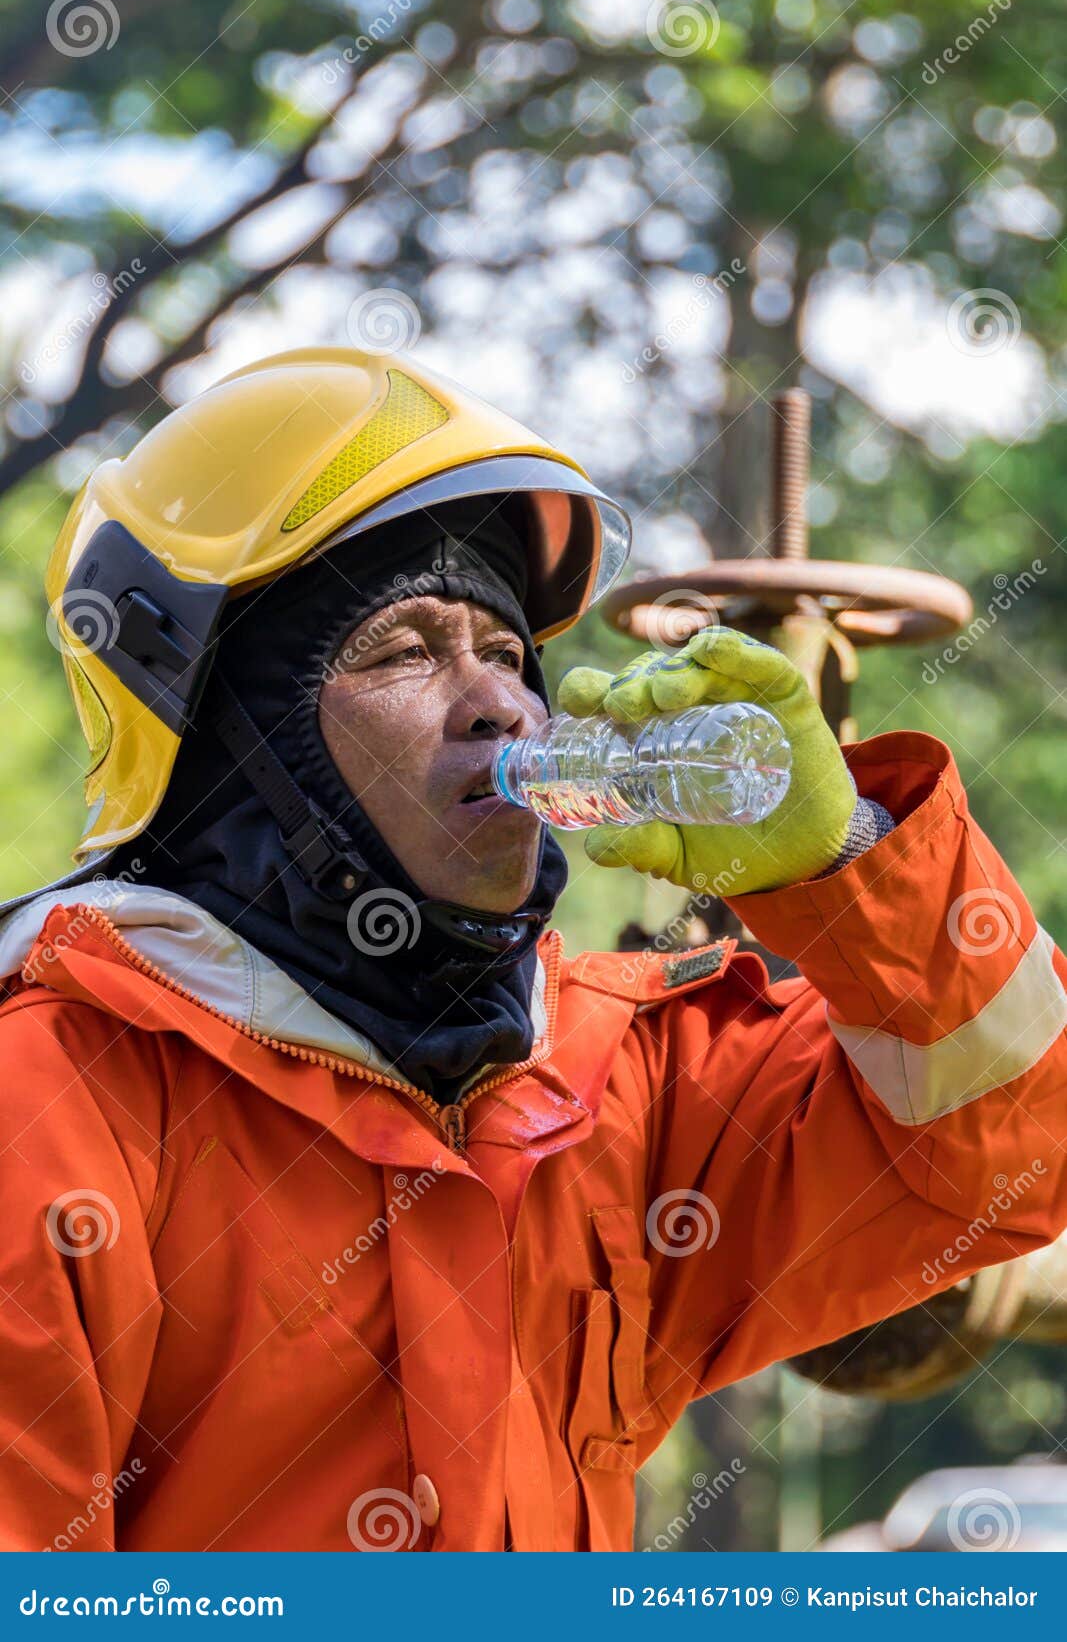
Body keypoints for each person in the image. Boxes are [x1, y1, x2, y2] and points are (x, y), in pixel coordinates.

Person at [0, 346, 1064, 1553]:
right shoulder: (52, 1109)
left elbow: (1002, 1154)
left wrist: (847, 858)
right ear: (229, 739)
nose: (500, 705)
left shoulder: (623, 1083)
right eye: (403, 648)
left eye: (504, 654)